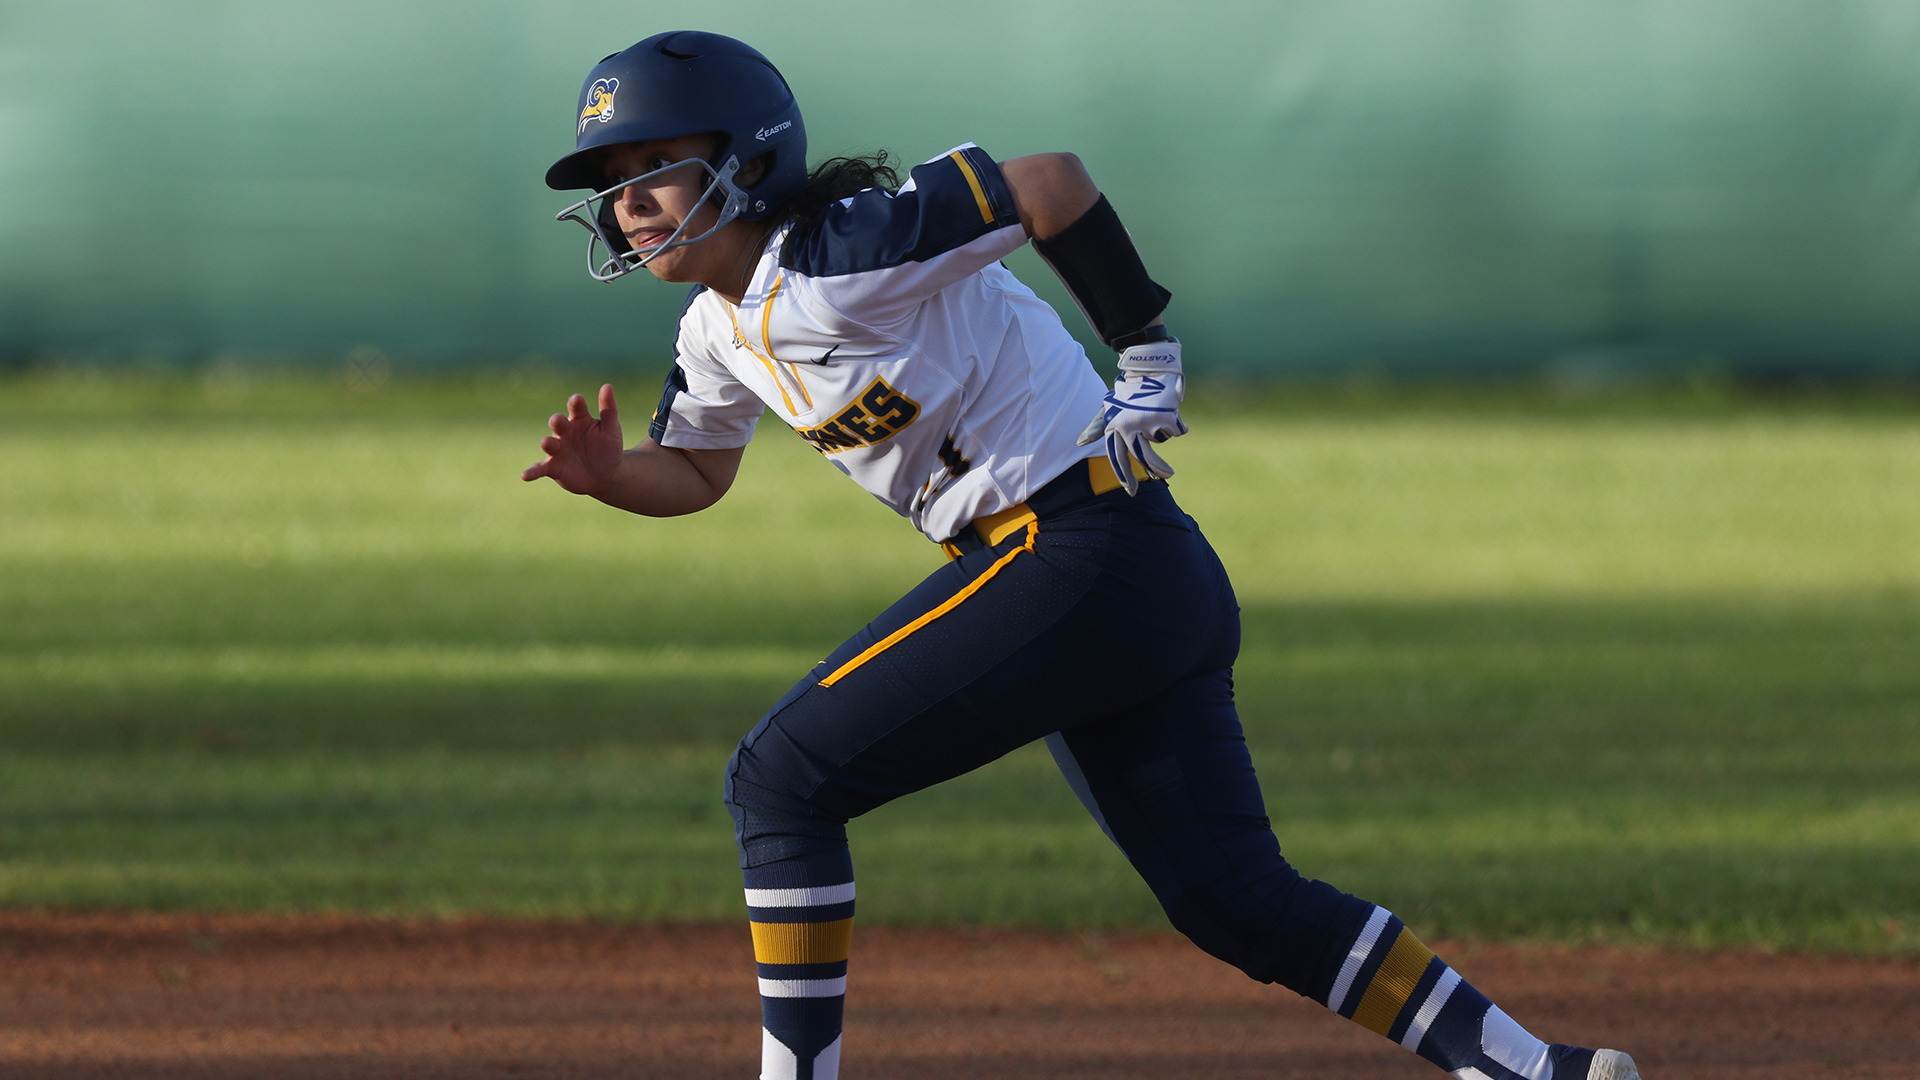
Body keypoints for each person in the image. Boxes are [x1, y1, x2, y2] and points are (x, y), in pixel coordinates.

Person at [526, 30, 1644, 1080]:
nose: (626, 203)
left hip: (1080, 552)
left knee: (779, 777)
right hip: (1114, 576)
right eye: (610, 183)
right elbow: (699, 473)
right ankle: (1532, 1066)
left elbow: (1052, 182)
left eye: (652, 167)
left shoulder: (840, 249)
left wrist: (1146, 346)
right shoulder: (715, 329)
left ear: (747, 158)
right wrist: (610, 475)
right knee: (1235, 901)